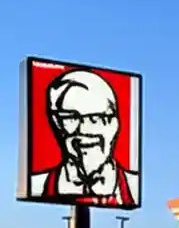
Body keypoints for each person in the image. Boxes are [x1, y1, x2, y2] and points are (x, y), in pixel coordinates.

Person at [29, 69, 138, 207]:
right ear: (56, 123)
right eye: (72, 117)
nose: (85, 129)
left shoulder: (134, 186)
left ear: (114, 125)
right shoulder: (36, 186)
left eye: (97, 118)